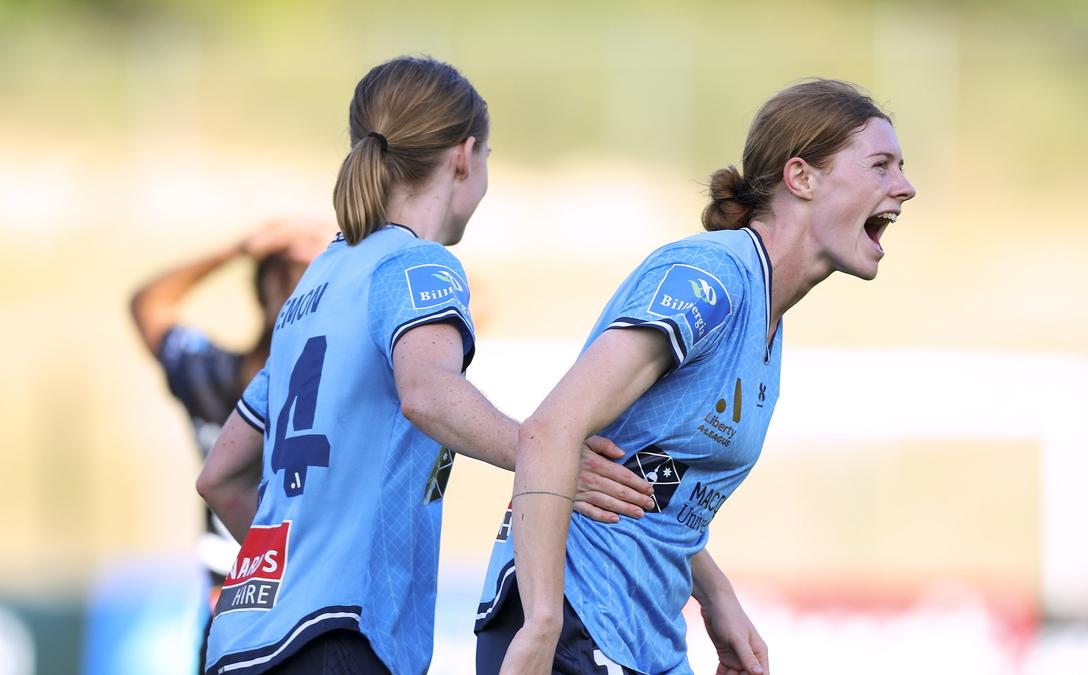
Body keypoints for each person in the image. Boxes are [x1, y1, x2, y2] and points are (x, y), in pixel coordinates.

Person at [195, 55, 654, 675]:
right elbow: (427, 393)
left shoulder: (316, 286)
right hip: (338, 639)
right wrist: (545, 455)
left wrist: (298, 569)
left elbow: (220, 477)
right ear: (465, 156)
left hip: (243, 644)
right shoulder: (417, 264)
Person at [475, 79, 918, 675]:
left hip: (643, 635)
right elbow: (548, 431)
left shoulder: (764, 310)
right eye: (881, 165)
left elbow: (655, 482)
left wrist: (715, 594)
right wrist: (541, 626)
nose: (905, 186)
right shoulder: (709, 278)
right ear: (801, 177)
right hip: (572, 623)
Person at [130, 217, 328, 669]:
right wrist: (350, 248)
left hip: (270, 611)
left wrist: (242, 249)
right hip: (265, 609)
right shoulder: (215, 376)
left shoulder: (213, 375)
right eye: (289, 277)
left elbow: (150, 303)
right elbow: (148, 303)